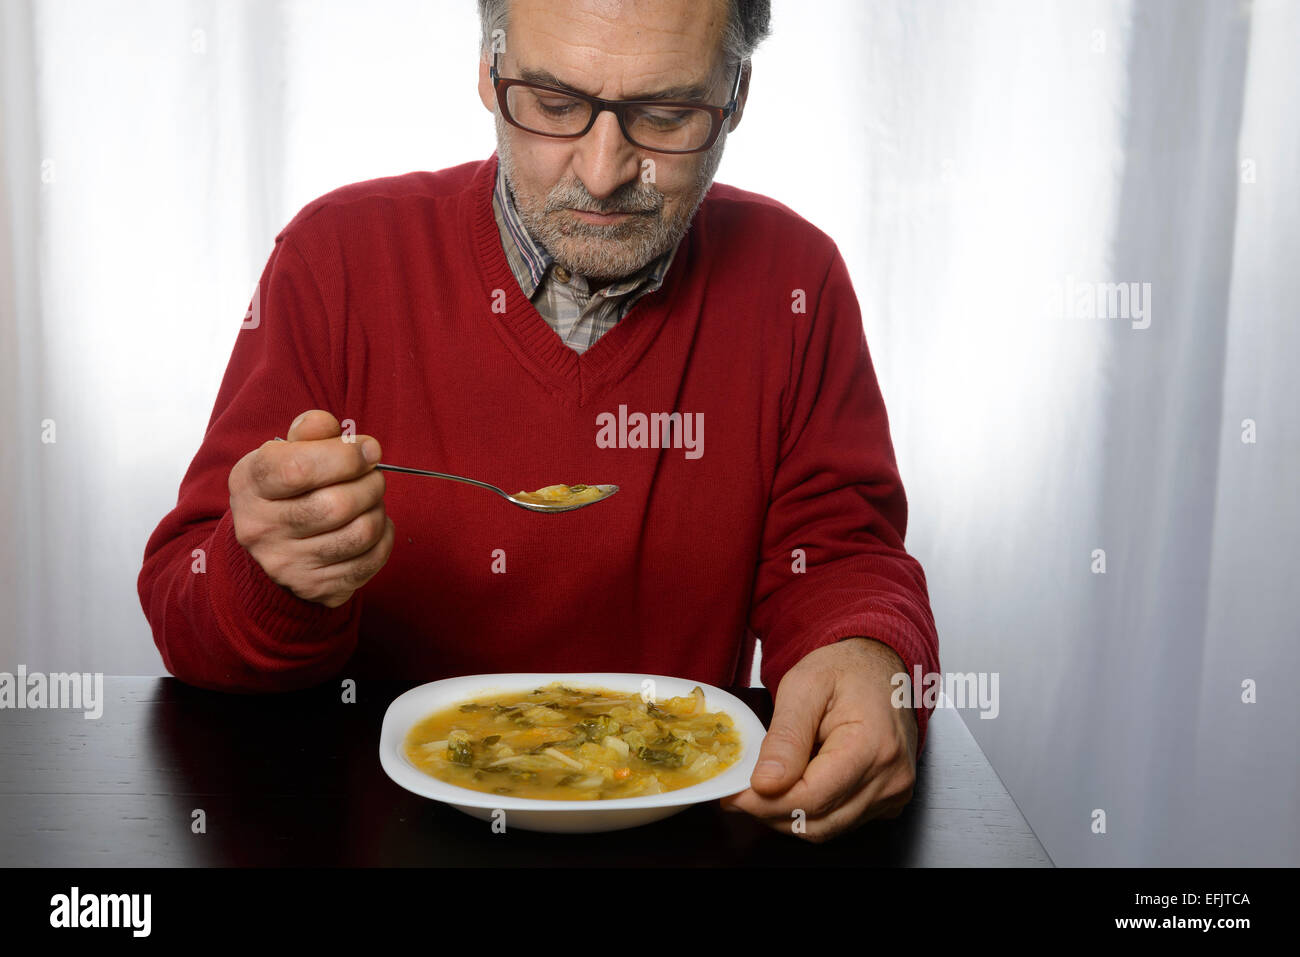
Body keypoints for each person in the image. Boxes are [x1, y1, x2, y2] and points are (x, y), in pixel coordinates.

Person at [137, 0, 940, 842]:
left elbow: (841, 554)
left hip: (674, 840)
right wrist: (271, 575)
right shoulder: (334, 261)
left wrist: (868, 648)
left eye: (666, 115)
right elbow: (185, 609)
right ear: (487, 70)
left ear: (737, 93)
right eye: (555, 105)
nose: (601, 172)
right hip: (370, 835)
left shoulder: (795, 281)